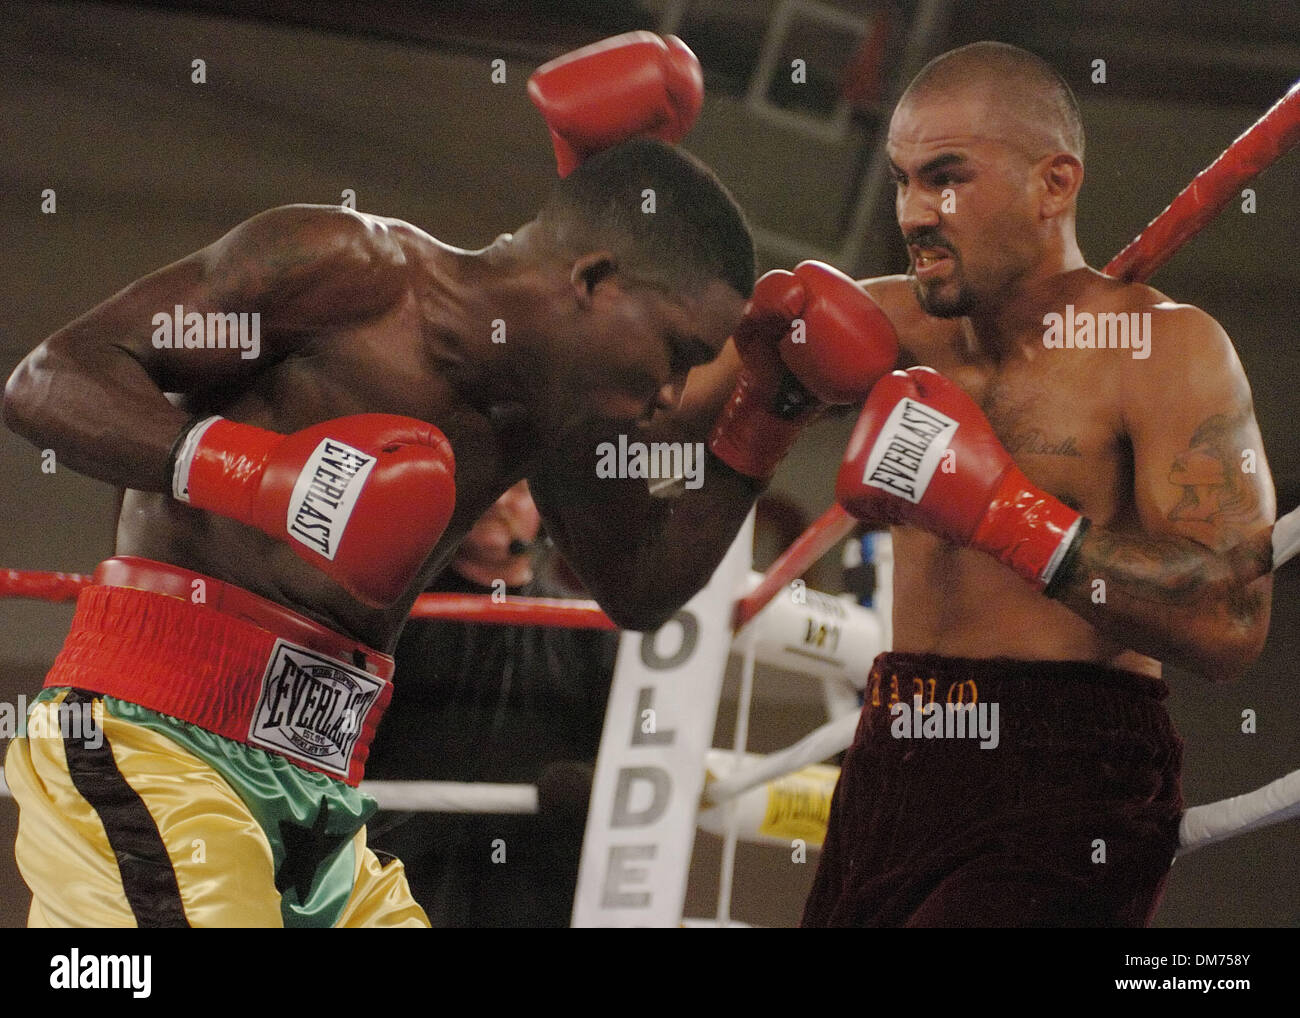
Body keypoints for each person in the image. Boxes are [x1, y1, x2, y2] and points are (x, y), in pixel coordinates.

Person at [0, 33, 898, 926]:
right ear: (592, 279)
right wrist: (264, 478)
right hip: (147, 734)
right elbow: (53, 378)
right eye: (675, 354)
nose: (670, 394)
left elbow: (639, 587)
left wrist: (764, 420)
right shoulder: (348, 274)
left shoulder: (559, 415)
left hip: (318, 790)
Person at [806, 41, 1275, 927]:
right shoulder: (884, 324)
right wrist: (755, 401)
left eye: (944, 176)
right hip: (896, 741)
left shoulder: (1166, 349)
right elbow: (663, 417)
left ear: (1055, 183)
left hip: (1069, 763)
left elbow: (1231, 622)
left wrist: (1009, 517)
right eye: (902, 179)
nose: (911, 212)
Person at [366, 481, 619, 927]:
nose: (499, 501)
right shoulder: (390, 615)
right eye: (490, 485)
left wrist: (584, 783)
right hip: (396, 866)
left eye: (519, 490)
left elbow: (617, 755)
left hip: (531, 878)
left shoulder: (588, 629)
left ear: (546, 510)